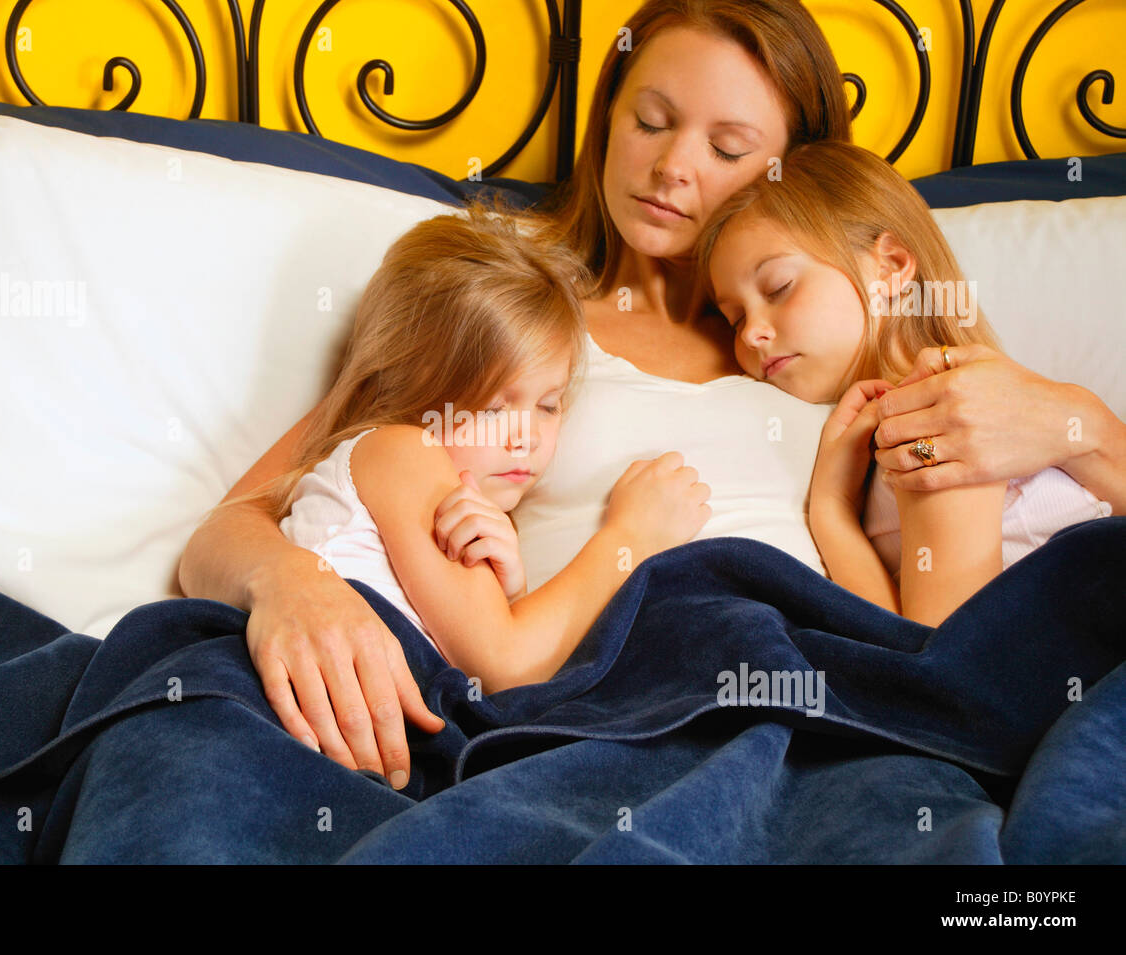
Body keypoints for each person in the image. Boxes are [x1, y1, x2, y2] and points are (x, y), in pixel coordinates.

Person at [178, 0, 1126, 790]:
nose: (675, 167)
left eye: (728, 145)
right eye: (651, 120)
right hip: (595, 714)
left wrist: (1073, 420)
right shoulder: (517, 314)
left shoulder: (845, 336)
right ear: (606, 123)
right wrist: (290, 584)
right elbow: (249, 513)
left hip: (832, 709)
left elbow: (953, 615)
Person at [216, 208, 709, 777]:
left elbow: (479, 652)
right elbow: (508, 664)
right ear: (414, 388)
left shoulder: (452, 496)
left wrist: (510, 592)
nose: (526, 436)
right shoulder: (400, 450)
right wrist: (630, 538)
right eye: (496, 407)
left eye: (549, 406)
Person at [696, 141, 1113, 626]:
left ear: (890, 268)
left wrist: (832, 514)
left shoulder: (939, 412)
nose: (751, 332)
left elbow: (940, 667)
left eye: (779, 288)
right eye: (734, 318)